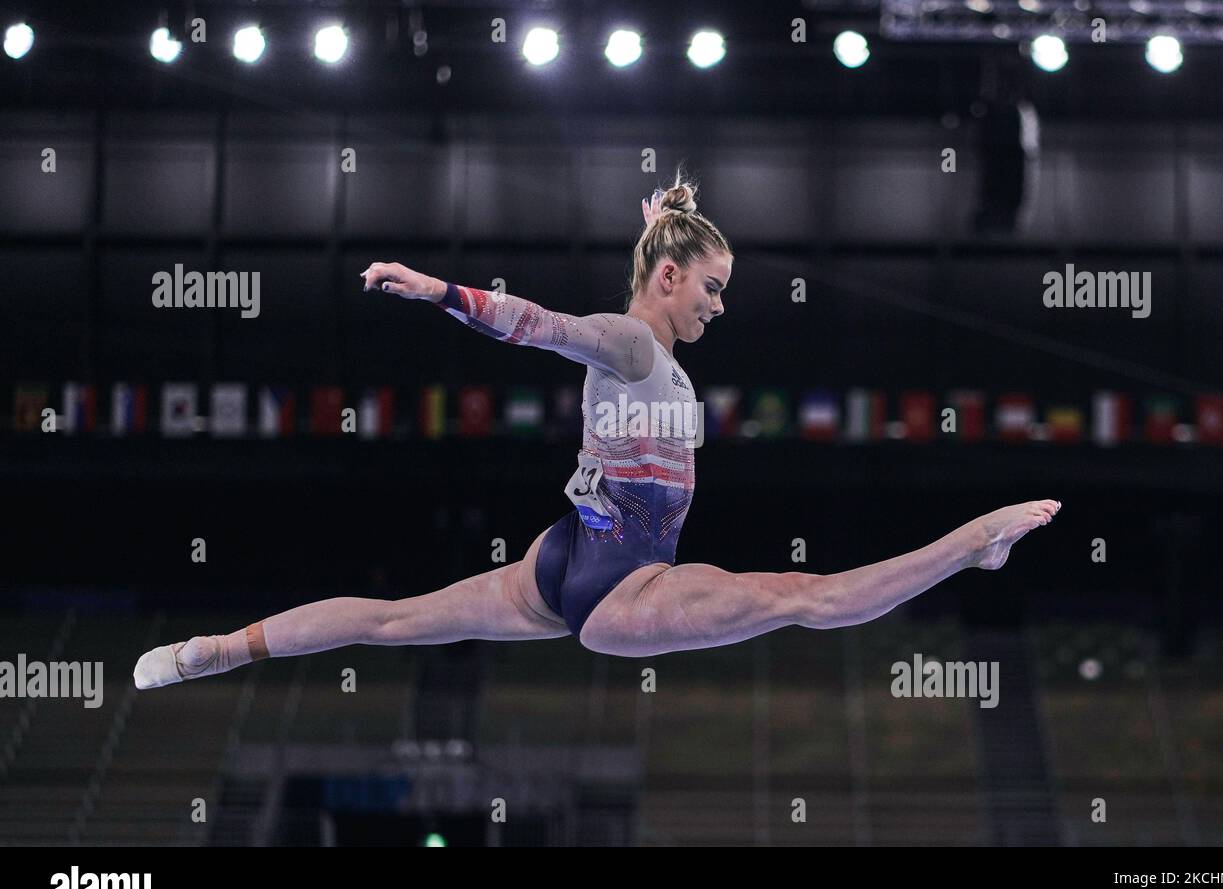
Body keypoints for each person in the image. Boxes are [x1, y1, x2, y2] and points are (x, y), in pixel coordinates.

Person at [134, 173, 1059, 688]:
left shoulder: (643, 343)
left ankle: (209, 654)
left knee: (394, 622)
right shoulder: (625, 342)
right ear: (667, 281)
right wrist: (439, 293)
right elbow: (540, 324)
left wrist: (663, 225)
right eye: (711, 287)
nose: (720, 307)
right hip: (626, 582)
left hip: (568, 555)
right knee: (801, 597)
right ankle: (971, 545)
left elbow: (632, 301)